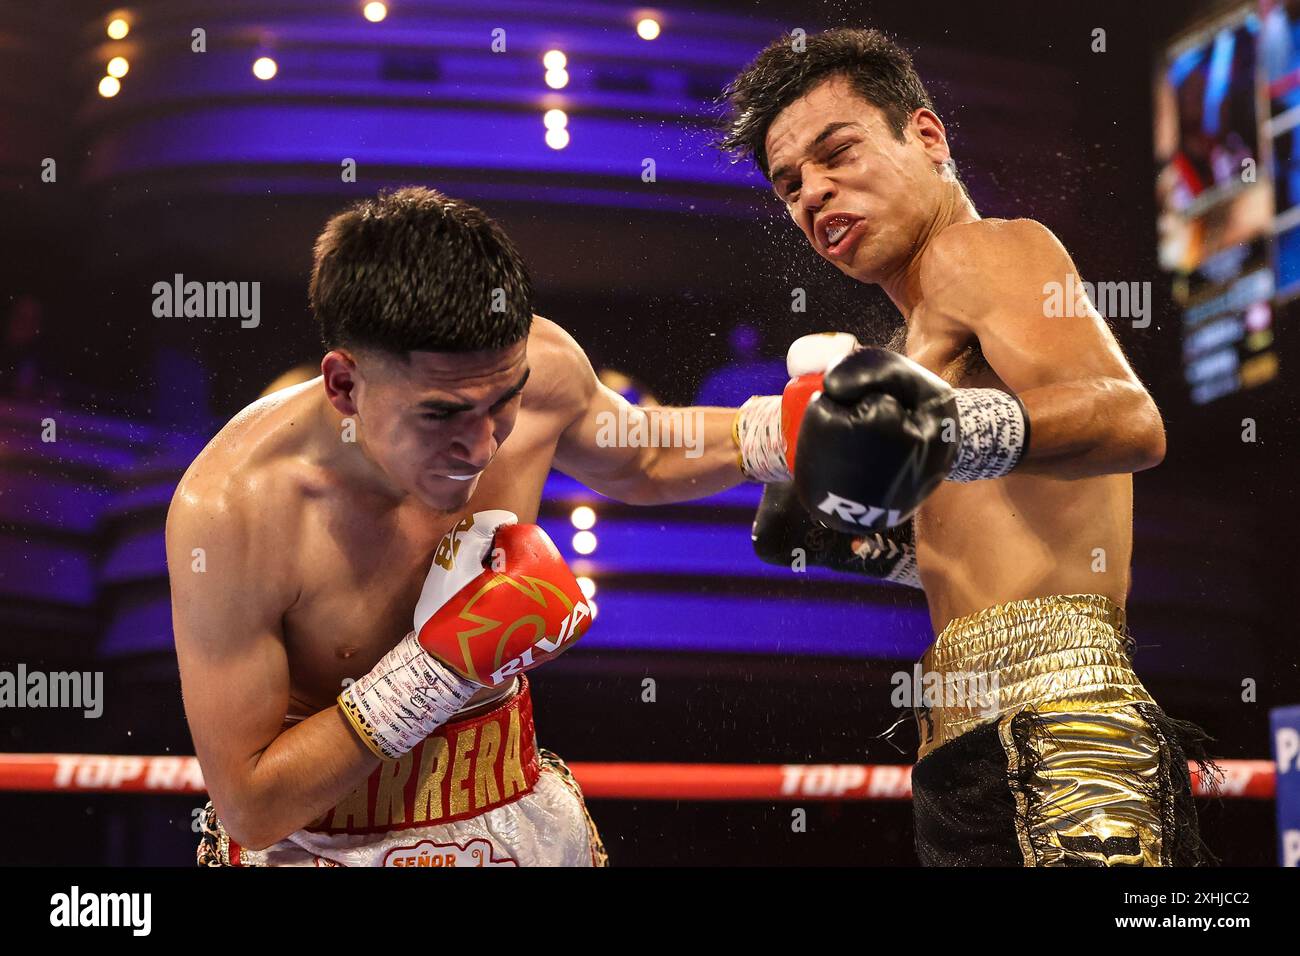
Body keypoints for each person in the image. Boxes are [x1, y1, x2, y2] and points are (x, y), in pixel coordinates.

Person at [722, 28, 1214, 866]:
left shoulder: (986, 249)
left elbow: (1132, 421)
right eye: (790, 184)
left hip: (1063, 731)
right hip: (967, 747)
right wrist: (871, 542)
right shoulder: (913, 345)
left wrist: (940, 430)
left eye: (837, 152)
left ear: (926, 135)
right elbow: (997, 530)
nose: (814, 192)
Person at [168, 187, 746, 866]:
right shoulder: (235, 509)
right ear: (345, 385)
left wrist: (784, 432)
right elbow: (252, 807)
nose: (482, 446)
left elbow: (645, 454)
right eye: (441, 414)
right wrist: (440, 666)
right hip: (322, 849)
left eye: (504, 401)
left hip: (513, 818)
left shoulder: (541, 367)